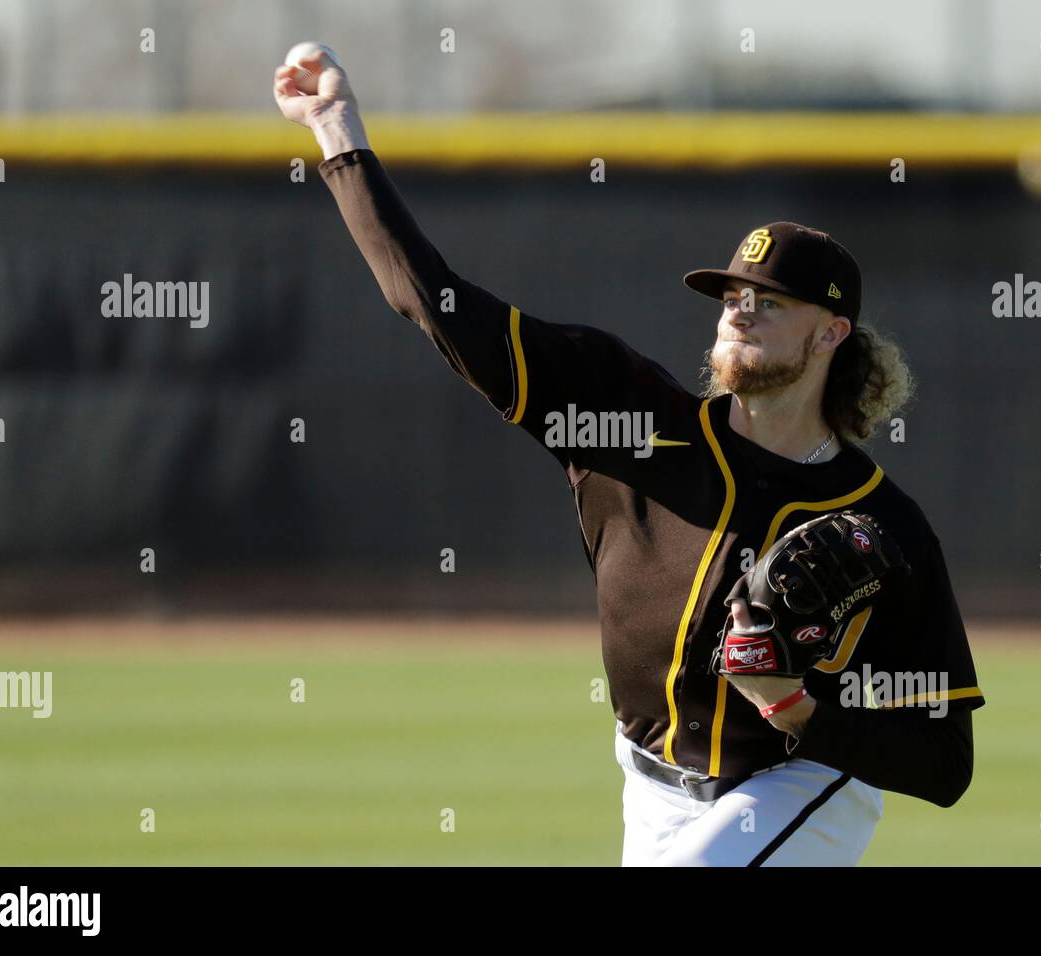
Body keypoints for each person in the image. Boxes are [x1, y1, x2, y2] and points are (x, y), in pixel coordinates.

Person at [274, 49, 985, 867]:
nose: (739, 313)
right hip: (648, 790)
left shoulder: (884, 524)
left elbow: (946, 764)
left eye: (771, 302)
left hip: (802, 784)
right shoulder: (627, 421)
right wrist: (336, 130)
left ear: (831, 336)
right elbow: (435, 304)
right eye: (731, 296)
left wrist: (797, 710)